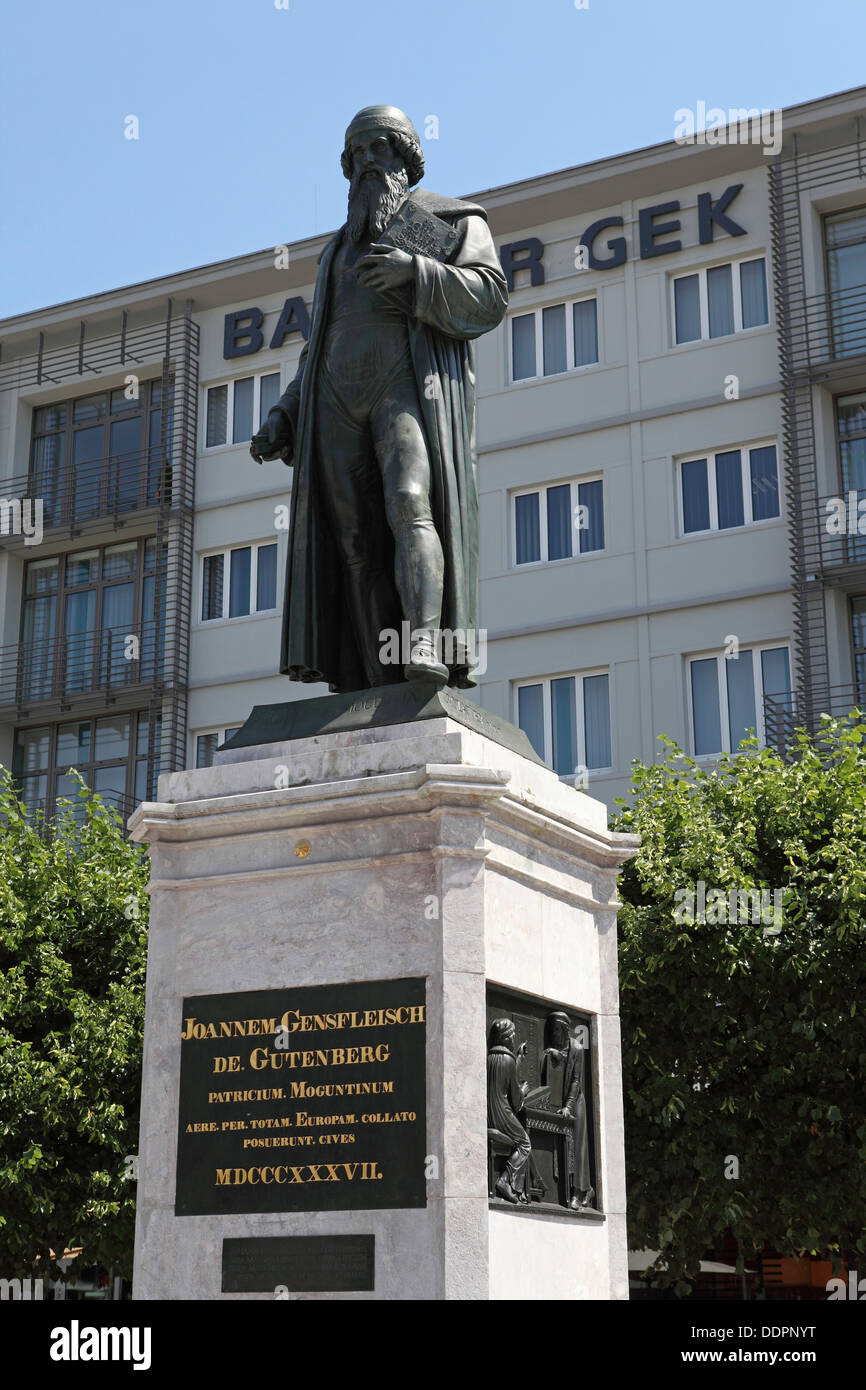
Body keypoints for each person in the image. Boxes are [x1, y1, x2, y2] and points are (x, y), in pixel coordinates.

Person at [250, 105, 508, 692]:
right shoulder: (335, 251)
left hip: (406, 386)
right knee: (353, 541)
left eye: (381, 148)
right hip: (336, 398)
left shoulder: (450, 220)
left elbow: (490, 296)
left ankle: (423, 645)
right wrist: (287, 411)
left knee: (409, 502)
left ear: (407, 158)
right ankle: (373, 673)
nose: (368, 162)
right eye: (357, 154)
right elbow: (319, 342)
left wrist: (416, 275)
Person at [542, 1011, 594, 1209]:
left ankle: (580, 1191)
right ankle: (576, 1189)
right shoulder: (556, 1048)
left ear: (564, 1030)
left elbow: (575, 1080)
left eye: (557, 1029)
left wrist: (568, 1107)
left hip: (575, 1103)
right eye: (552, 1029)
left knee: (578, 1149)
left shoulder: (577, 1048)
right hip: (559, 1104)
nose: (554, 1033)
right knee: (565, 1149)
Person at [486, 1018, 531, 1204]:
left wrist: (518, 1058)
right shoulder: (508, 1060)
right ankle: (504, 1180)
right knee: (525, 1144)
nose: (514, 1038)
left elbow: (501, 1080)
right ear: (505, 1038)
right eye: (512, 1035)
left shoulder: (488, 1058)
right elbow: (516, 1102)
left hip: (488, 1114)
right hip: (502, 1113)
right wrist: (523, 1090)